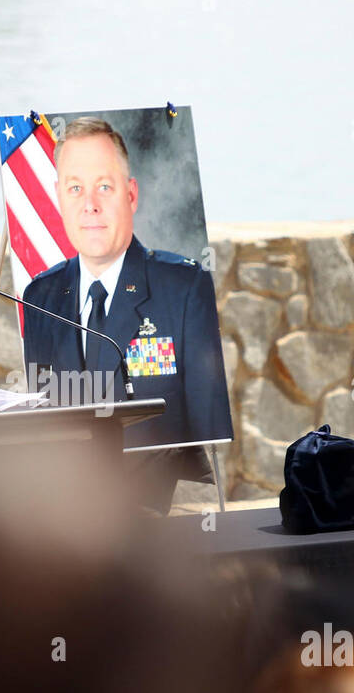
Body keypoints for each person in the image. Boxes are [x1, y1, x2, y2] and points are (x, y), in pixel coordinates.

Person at [21, 118, 231, 512]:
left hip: (163, 503)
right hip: (71, 512)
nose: (90, 205)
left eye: (104, 186)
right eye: (75, 188)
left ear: (130, 195)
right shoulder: (41, 297)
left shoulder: (183, 288)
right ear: (58, 199)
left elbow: (208, 430)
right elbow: (45, 417)